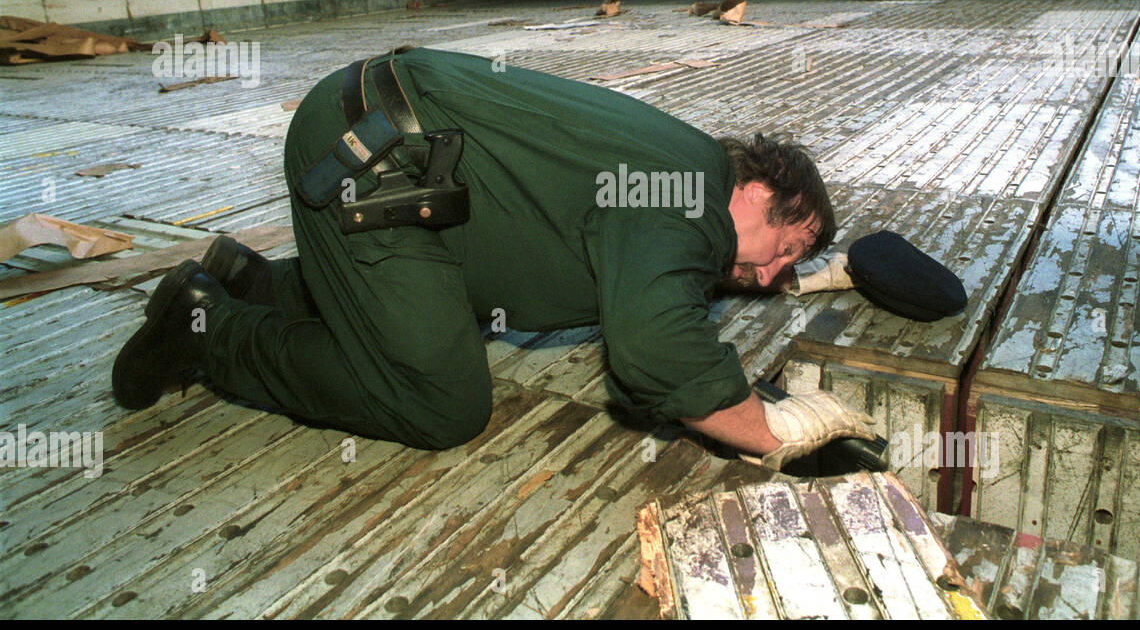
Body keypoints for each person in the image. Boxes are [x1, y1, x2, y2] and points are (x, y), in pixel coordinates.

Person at [112, 47, 875, 469]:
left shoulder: (679, 165)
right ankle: (208, 328)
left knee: (433, 308)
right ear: (762, 190)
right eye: (791, 247)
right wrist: (778, 431)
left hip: (378, 142)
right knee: (443, 401)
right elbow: (653, 349)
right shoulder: (691, 199)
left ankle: (259, 283)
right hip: (369, 161)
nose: (776, 274)